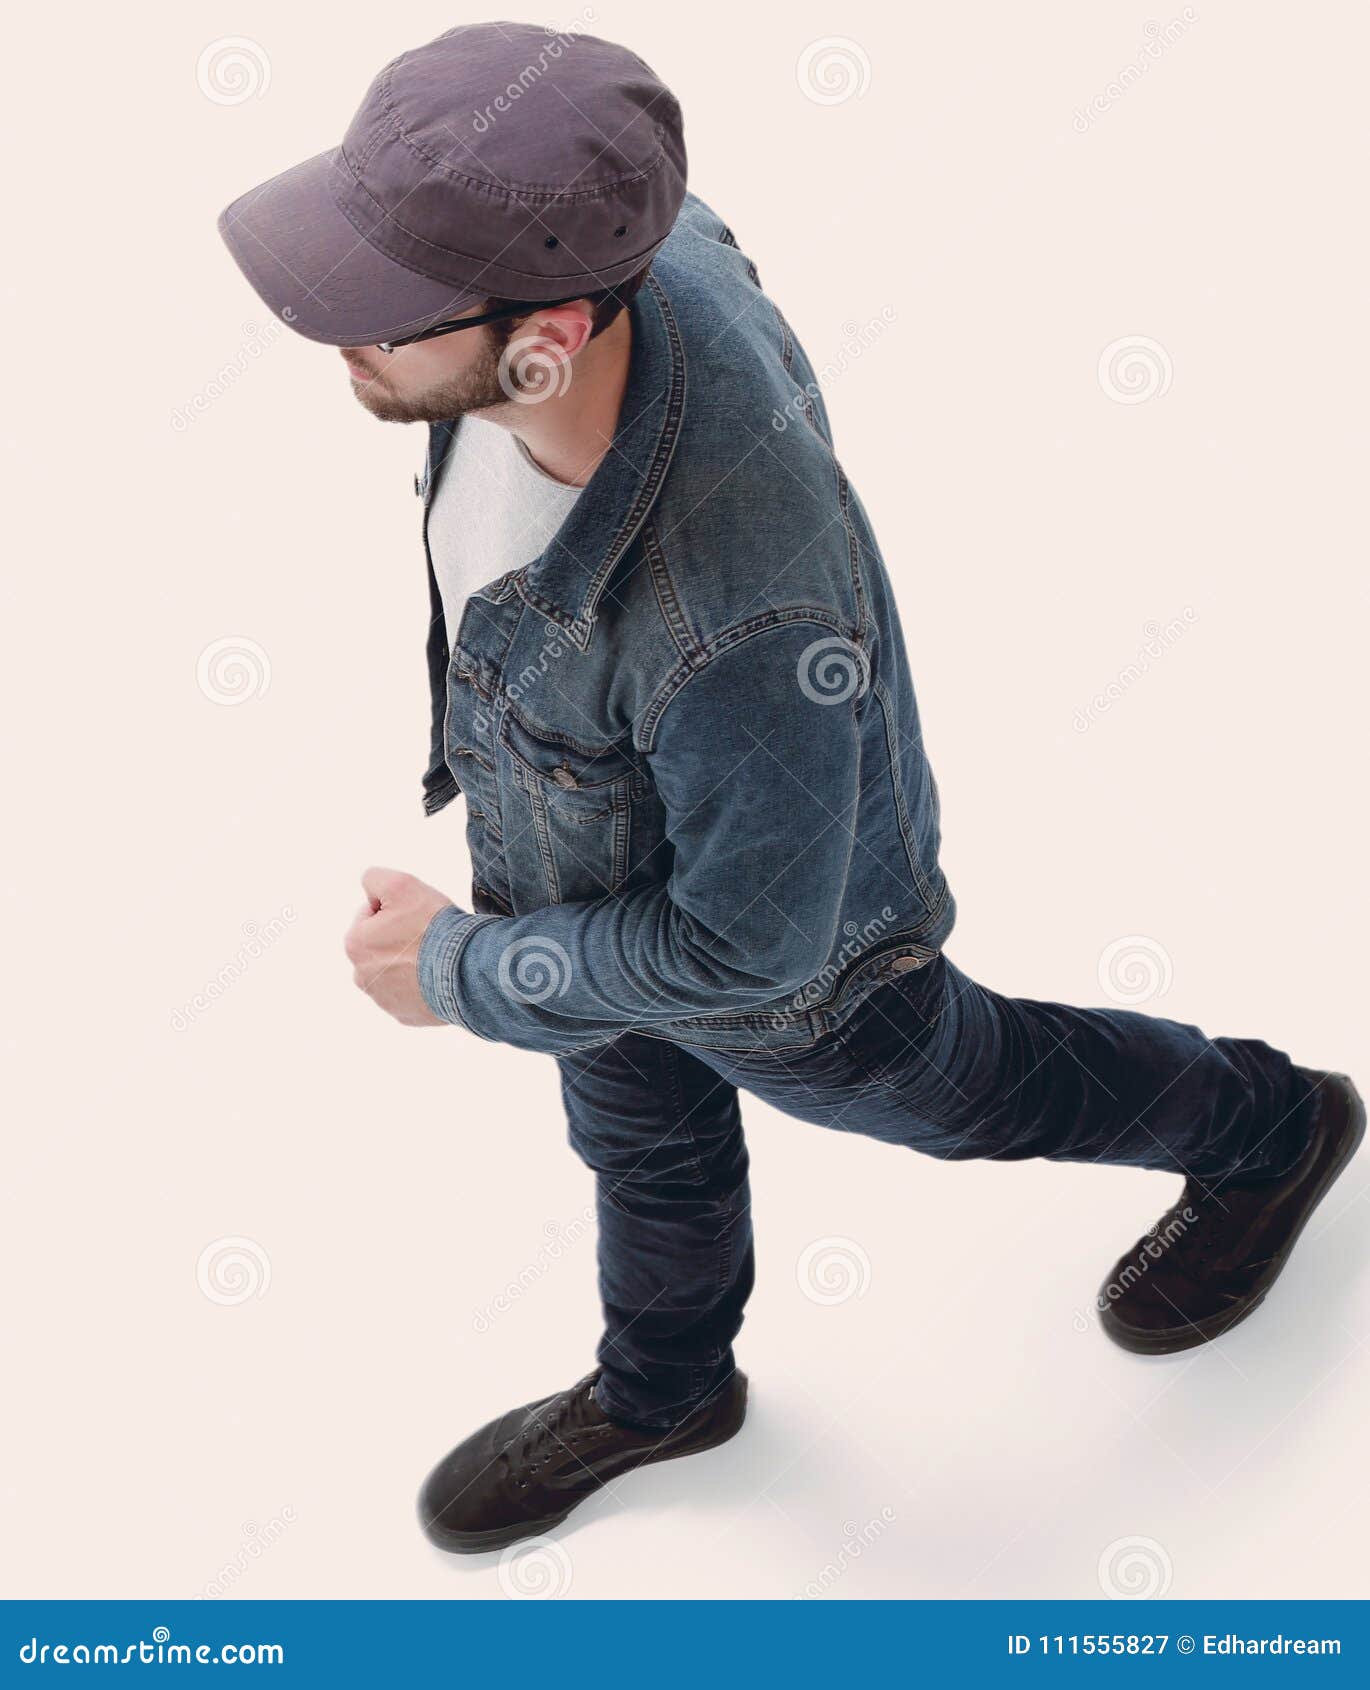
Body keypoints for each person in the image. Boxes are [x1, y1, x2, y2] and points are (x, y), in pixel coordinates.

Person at [219, 22, 1362, 1555]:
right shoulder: (645, 248)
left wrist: (460, 966)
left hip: (798, 964)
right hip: (580, 881)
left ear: (547, 331)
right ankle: (669, 1385)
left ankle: (1270, 1125)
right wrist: (521, 938)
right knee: (638, 1138)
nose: (336, 332)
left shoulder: (737, 616)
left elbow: (746, 949)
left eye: (382, 307)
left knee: (971, 1089)